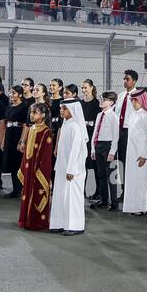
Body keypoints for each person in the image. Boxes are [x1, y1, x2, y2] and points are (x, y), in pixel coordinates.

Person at [49, 100, 88, 234]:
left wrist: (71, 170)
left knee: (72, 197)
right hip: (62, 167)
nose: (61, 111)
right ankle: (59, 223)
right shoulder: (66, 124)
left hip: (73, 170)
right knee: (60, 195)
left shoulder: (76, 127)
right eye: (61, 108)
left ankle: (74, 226)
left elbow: (76, 151)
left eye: (64, 108)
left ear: (72, 110)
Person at [17, 103, 54, 230]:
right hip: (29, 167)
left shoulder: (46, 132)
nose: (32, 115)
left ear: (43, 115)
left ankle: (37, 222)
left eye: (35, 112)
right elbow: (27, 151)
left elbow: (46, 156)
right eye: (31, 112)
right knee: (27, 193)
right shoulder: (31, 129)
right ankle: (25, 221)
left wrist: (40, 171)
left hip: (38, 170)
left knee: (37, 193)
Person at [122, 89, 147, 215]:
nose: (133, 102)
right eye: (132, 100)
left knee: (141, 181)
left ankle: (143, 207)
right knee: (133, 180)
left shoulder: (146, 117)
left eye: (135, 100)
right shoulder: (133, 115)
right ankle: (134, 206)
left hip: (141, 154)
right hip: (132, 153)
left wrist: (144, 156)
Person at [90, 91, 119, 210]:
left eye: (104, 99)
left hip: (108, 146)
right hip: (98, 146)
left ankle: (114, 203)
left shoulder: (113, 116)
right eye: (101, 99)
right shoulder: (99, 115)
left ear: (111, 102)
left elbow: (116, 135)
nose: (101, 101)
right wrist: (93, 148)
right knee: (101, 174)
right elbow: (95, 132)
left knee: (111, 175)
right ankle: (104, 200)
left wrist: (112, 151)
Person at [114, 69, 139, 206]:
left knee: (130, 163)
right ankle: (123, 191)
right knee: (121, 162)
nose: (125, 81)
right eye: (124, 79)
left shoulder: (138, 95)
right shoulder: (121, 96)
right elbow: (117, 113)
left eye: (127, 79)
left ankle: (131, 192)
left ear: (134, 81)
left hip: (130, 132)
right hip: (119, 132)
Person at [3, 86, 29, 198]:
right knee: (12, 163)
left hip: (18, 134)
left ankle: (22, 188)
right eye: (10, 93)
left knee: (19, 163)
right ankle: (16, 189)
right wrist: (3, 140)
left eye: (14, 93)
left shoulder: (24, 107)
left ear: (20, 94)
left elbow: (25, 125)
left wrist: (21, 141)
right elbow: (6, 124)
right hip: (9, 134)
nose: (11, 95)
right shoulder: (9, 107)